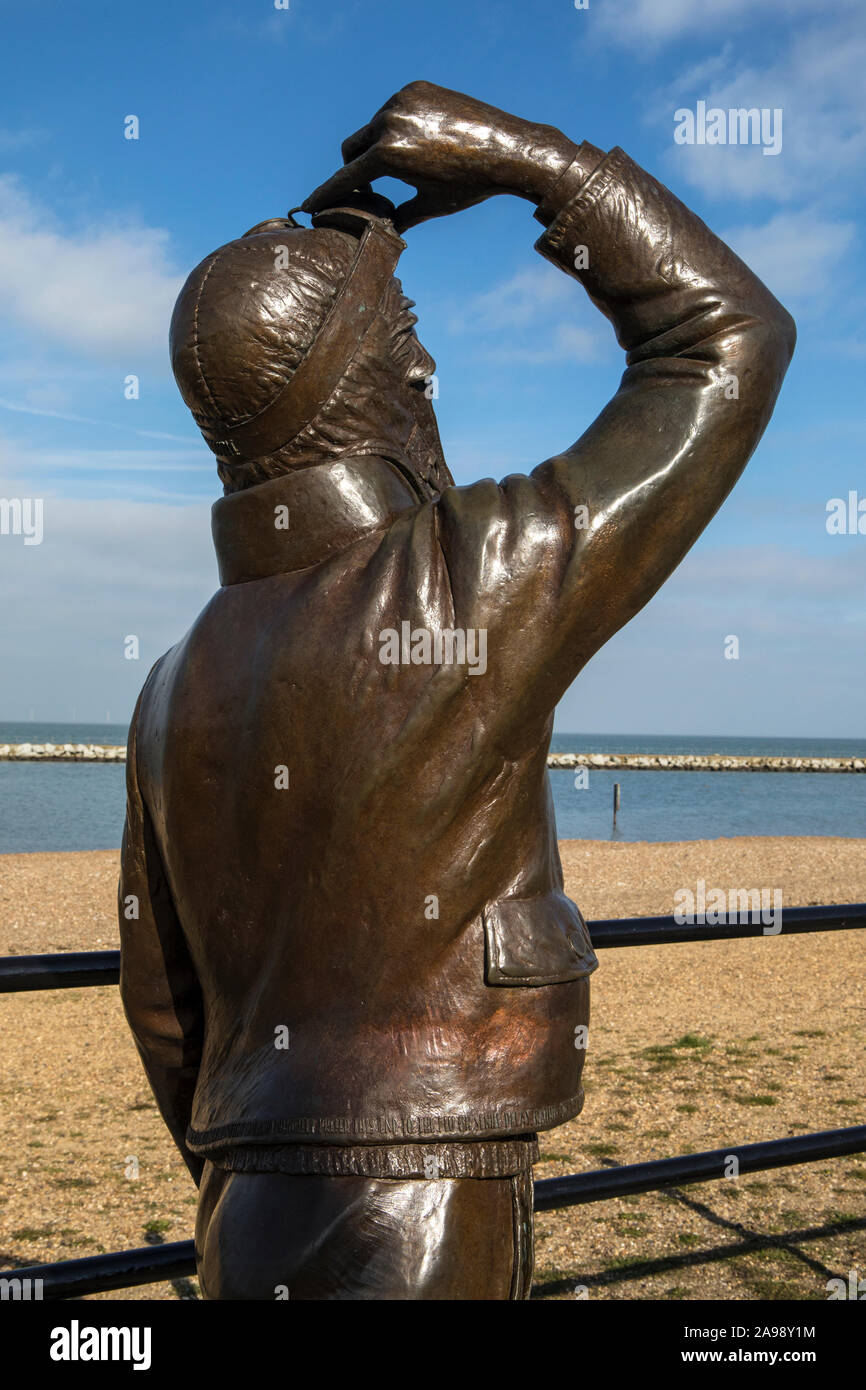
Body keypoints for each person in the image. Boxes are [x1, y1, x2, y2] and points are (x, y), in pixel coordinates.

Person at [118, 81, 795, 1300]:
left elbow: (162, 1004)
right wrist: (531, 162)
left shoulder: (172, 683)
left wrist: (249, 1155)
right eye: (400, 334)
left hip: (240, 1206)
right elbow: (727, 339)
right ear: (360, 384)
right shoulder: (459, 582)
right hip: (429, 1201)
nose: (424, 358)